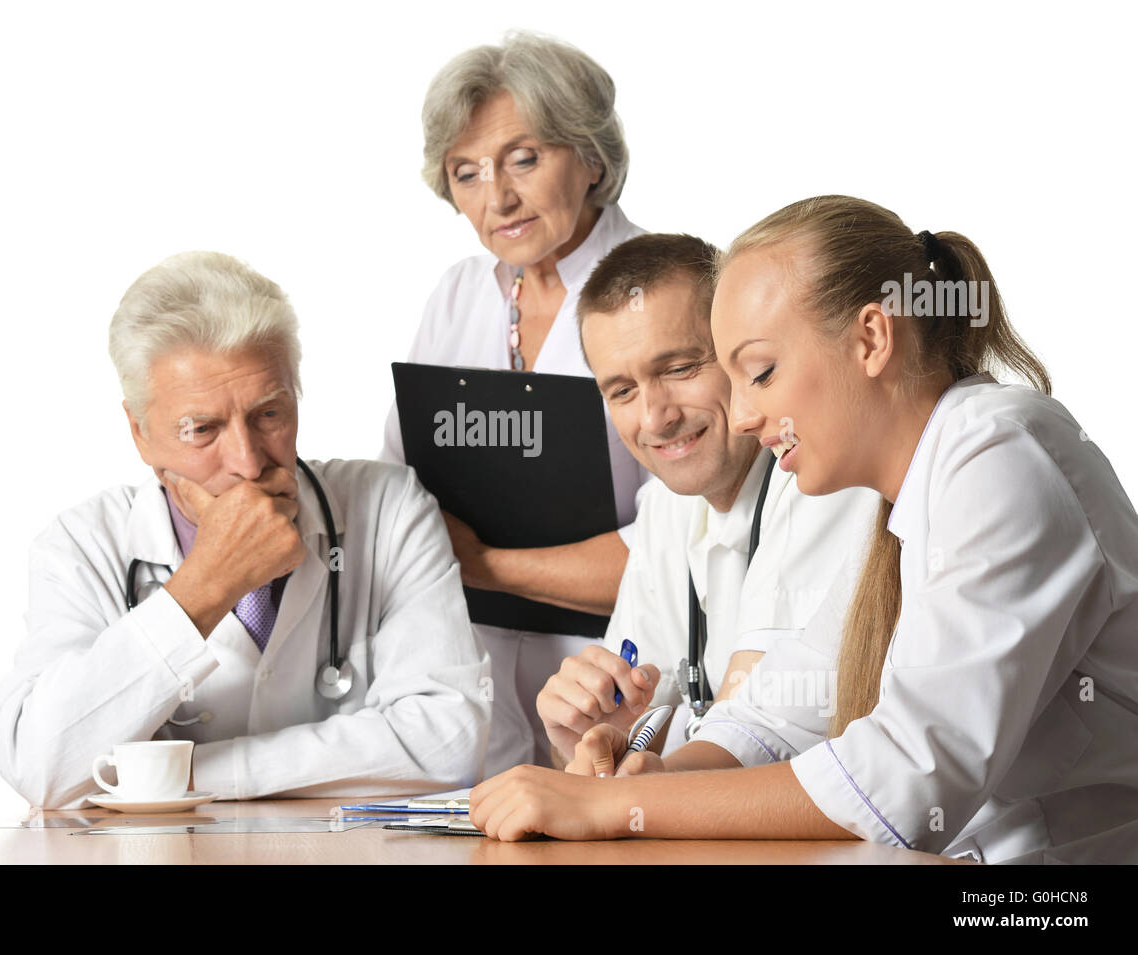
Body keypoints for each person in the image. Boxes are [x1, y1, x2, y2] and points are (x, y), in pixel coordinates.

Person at [468, 196, 1138, 864]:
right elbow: (777, 714)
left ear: (872, 338)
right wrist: (653, 778)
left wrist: (613, 809)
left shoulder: (999, 457)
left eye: (760, 373)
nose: (744, 415)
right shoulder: (904, 499)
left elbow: (905, 779)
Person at [0, 251, 491, 810]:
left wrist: (182, 773)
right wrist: (205, 585)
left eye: (269, 414)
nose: (249, 463)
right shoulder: (82, 546)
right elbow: (41, 766)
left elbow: (448, 740)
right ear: (140, 433)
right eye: (202, 429)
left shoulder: (390, 508)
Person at [380, 31, 651, 774]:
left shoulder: (662, 294)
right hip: (470, 683)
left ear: (592, 157)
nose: (496, 198)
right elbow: (398, 495)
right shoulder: (459, 295)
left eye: (523, 159)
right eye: (466, 173)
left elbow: (687, 548)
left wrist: (480, 563)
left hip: (620, 683)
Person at [536, 233, 878, 765]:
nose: (655, 418)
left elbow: (759, 745)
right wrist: (589, 737)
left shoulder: (824, 476)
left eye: (678, 369)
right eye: (622, 391)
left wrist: (611, 795)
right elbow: (625, 739)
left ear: (741, 356)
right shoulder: (666, 509)